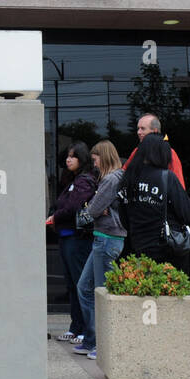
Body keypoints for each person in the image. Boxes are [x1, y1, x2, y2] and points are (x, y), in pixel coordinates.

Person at [72, 141, 126, 360]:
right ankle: (92, 339)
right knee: (85, 288)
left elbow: (92, 208)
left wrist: (95, 208)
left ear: (103, 157)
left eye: (95, 160)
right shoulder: (116, 178)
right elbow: (95, 208)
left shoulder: (111, 179)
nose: (94, 165)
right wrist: (95, 208)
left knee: (99, 292)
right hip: (104, 238)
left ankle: (100, 343)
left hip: (107, 239)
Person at [47, 142, 97, 345]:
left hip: (78, 239)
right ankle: (75, 327)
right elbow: (62, 204)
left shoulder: (84, 181)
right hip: (66, 236)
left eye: (73, 156)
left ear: (82, 159)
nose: (68, 160)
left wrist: (54, 217)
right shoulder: (71, 180)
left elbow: (72, 207)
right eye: (68, 156)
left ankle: (86, 329)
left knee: (80, 284)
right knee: (72, 284)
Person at [120, 132, 190, 266]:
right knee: (171, 285)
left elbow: (123, 218)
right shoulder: (167, 177)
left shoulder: (129, 178)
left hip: (138, 246)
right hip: (167, 247)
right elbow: (186, 213)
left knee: (145, 285)